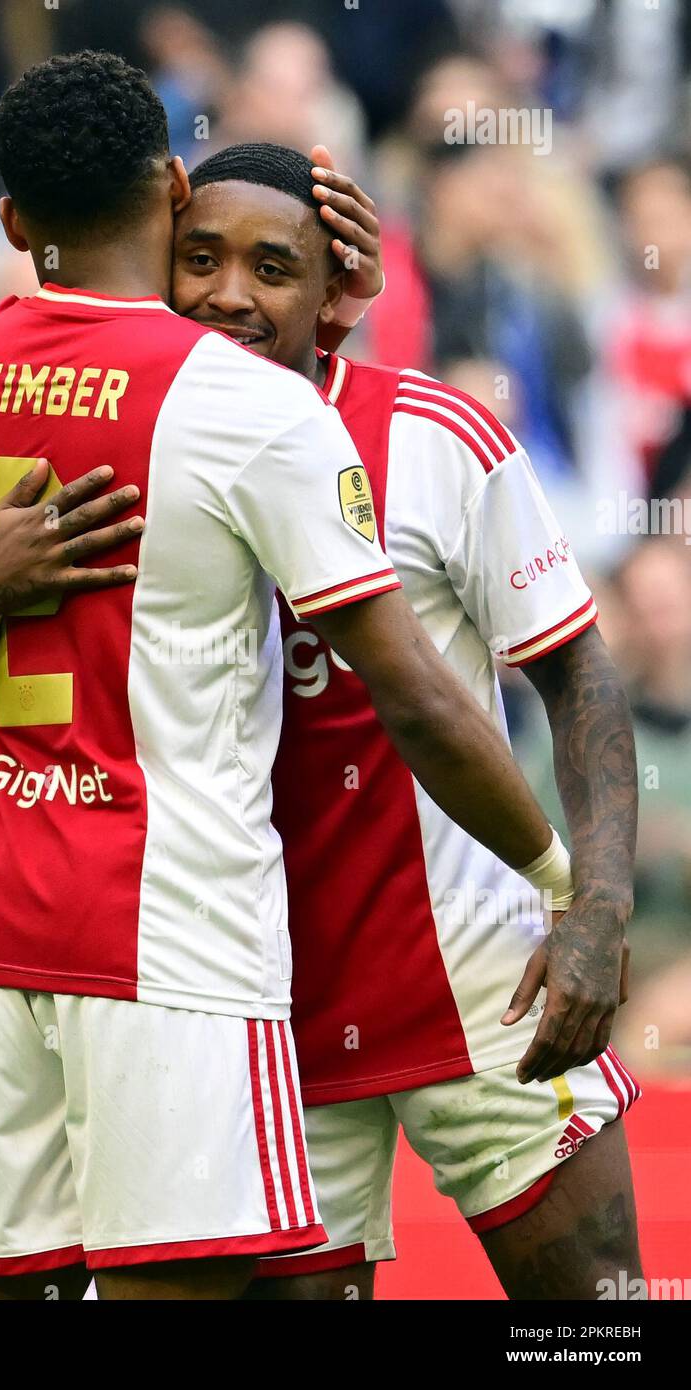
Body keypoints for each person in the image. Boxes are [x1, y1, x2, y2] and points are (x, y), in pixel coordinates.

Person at [0, 53, 570, 1302]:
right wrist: (566, 883)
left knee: (0, 1292)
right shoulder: (243, 404)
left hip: (5, 924)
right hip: (179, 937)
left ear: (10, 224)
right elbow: (418, 695)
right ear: (170, 185)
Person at [165, 140, 640, 1299]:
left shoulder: (435, 436)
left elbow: (577, 674)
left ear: (340, 293)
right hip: (261, 1007)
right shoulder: (136, 458)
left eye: (274, 266)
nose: (229, 293)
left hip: (487, 980)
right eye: (198, 259)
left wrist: (598, 903)